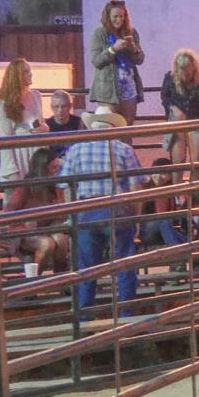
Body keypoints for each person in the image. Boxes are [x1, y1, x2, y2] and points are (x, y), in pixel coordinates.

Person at [64, 110, 144, 310]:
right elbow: (136, 188)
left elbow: (66, 186)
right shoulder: (124, 150)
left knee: (87, 267)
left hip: (87, 209)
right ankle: (127, 314)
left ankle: (84, 315)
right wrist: (134, 218)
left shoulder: (75, 150)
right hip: (116, 208)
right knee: (124, 263)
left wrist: (72, 215)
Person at [88, 0, 145, 122]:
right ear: (108, 16)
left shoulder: (131, 32)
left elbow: (140, 60)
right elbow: (96, 61)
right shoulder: (99, 34)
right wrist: (113, 49)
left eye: (122, 16)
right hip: (108, 92)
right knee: (108, 130)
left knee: (127, 130)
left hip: (129, 90)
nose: (119, 20)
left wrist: (134, 50)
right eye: (115, 16)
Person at [159, 48, 199, 165]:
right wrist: (173, 108)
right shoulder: (170, 78)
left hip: (197, 121)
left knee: (196, 161)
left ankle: (194, 182)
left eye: (188, 74)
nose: (185, 77)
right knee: (178, 161)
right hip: (177, 122)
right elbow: (165, 98)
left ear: (194, 68)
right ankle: (178, 182)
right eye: (181, 73)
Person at [0, 60, 42, 185]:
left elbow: (38, 121)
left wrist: (43, 128)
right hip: (19, 154)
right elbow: (5, 137)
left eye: (30, 71)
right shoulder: (4, 104)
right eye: (26, 72)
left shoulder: (36, 96)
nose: (30, 74)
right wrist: (12, 171)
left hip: (36, 151)